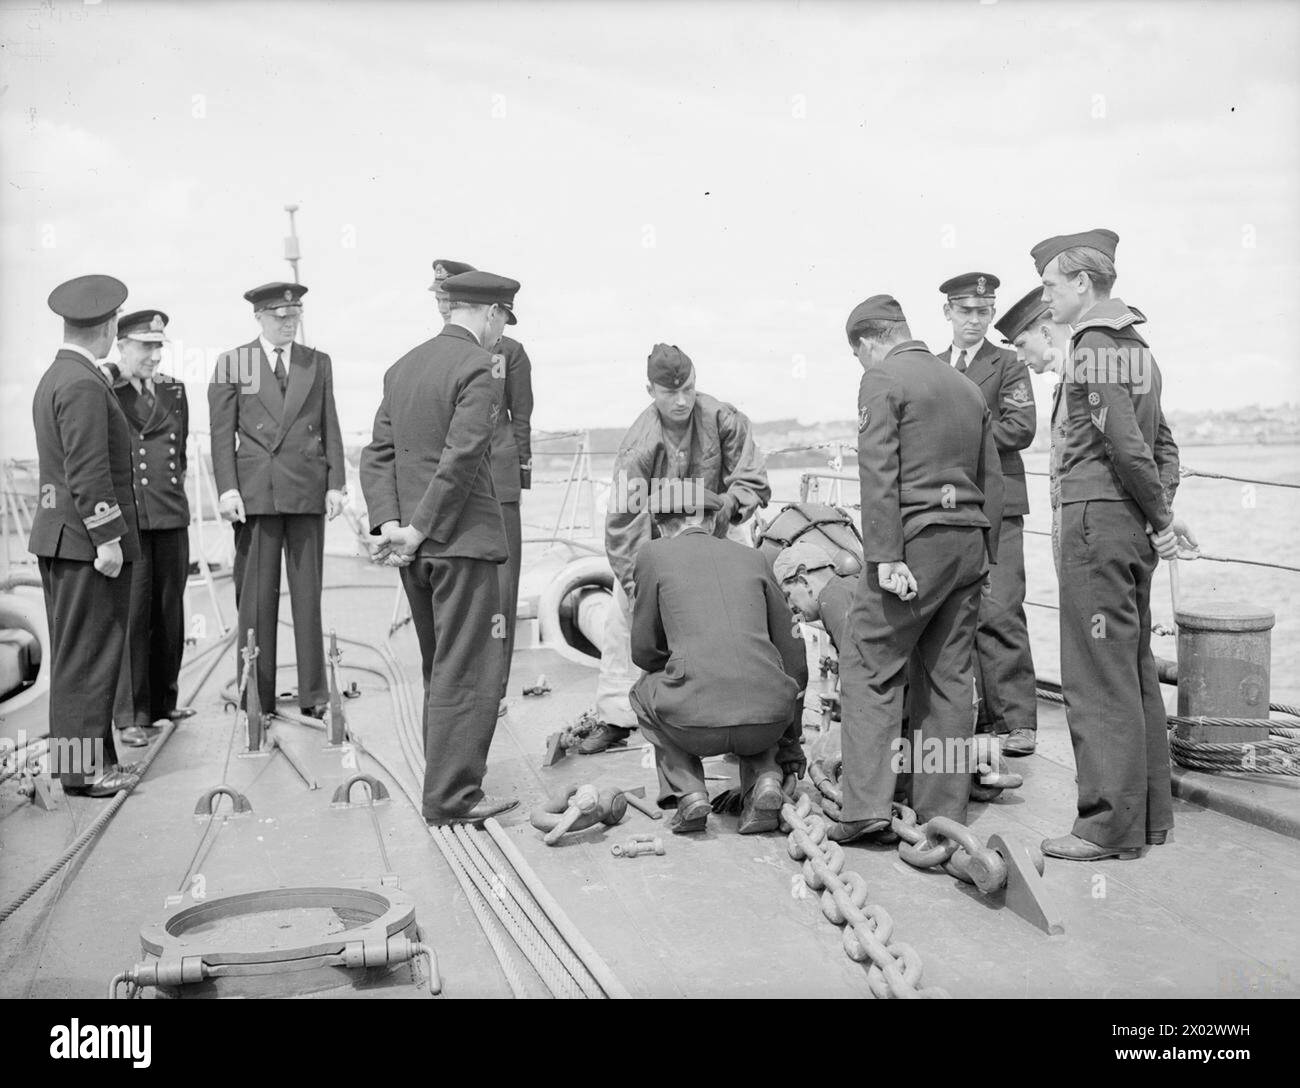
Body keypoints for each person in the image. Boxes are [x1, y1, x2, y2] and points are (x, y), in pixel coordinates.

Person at [1032, 228, 1195, 861]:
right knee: (1130, 669)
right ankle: (1148, 817)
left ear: (1081, 283)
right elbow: (1164, 446)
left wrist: (1157, 515)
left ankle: (1105, 827)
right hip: (1125, 527)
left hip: (1096, 527)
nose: (1047, 301)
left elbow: (1125, 444)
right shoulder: (1138, 348)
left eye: (1050, 286)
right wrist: (1159, 512)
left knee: (1097, 675)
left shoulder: (1095, 344)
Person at [829, 295, 1003, 844]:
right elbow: (990, 479)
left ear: (868, 341)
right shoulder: (966, 386)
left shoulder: (882, 379)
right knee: (950, 678)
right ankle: (941, 809)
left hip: (915, 545)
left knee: (869, 661)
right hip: (968, 545)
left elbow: (877, 471)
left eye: (859, 354)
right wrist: (985, 556)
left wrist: (883, 557)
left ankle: (865, 808)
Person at [360, 269, 520, 825]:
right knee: (468, 670)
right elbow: (463, 457)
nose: (501, 333)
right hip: (461, 546)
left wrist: (390, 526)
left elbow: (377, 454)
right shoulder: (478, 366)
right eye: (502, 320)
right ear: (492, 313)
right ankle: (453, 798)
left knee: (440, 667)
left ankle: (444, 786)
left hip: (416, 553)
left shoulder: (401, 368)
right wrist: (421, 529)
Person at [582, 343, 770, 754]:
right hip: (658, 537)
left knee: (745, 603)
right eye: (670, 393)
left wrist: (728, 507)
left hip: (719, 526)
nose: (682, 400)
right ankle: (616, 715)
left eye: (688, 388)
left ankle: (740, 700)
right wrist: (640, 590)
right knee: (621, 619)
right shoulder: (639, 445)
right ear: (650, 390)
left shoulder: (723, 418)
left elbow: (751, 477)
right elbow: (624, 525)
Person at [629, 485, 807, 835]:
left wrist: (683, 663)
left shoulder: (653, 555)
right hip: (768, 719)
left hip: (693, 723)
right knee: (761, 683)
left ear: (662, 525)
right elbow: (793, 656)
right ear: (711, 521)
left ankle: (690, 792)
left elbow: (643, 650)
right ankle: (766, 780)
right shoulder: (753, 557)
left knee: (641, 692)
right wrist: (791, 740)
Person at [208, 283, 346, 720]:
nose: (289, 324)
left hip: (305, 492)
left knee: (309, 599)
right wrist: (227, 489)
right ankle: (257, 697)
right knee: (256, 603)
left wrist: (336, 484)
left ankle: (315, 696)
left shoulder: (315, 362)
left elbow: (330, 424)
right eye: (280, 317)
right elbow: (220, 433)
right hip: (257, 497)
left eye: (294, 316)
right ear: (259, 317)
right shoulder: (236, 363)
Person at [28, 275, 141, 796]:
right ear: (111, 325)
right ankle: (82, 771)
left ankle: (95, 762)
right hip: (84, 543)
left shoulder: (61, 375)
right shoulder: (81, 384)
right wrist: (108, 539)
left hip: (62, 538)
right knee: (87, 658)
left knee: (82, 654)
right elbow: (89, 470)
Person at [936, 273, 1038, 756]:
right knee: (956, 610)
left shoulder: (1010, 364)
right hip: (947, 506)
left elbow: (1020, 428)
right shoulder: (932, 367)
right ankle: (975, 717)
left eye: (984, 312)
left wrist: (956, 439)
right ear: (949, 314)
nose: (975, 320)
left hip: (1000, 505)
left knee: (1000, 609)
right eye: (966, 312)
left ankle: (1017, 721)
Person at [429, 258, 534, 716]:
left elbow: (521, 416)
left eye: (445, 296)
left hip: (500, 479)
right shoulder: (436, 354)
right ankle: (455, 686)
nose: (440, 304)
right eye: (437, 297)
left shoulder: (510, 352)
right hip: (458, 482)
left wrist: (520, 476)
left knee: (502, 587)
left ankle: (497, 688)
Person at [109, 310, 194, 748]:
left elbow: (177, 457)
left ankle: (163, 701)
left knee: (169, 612)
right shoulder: (110, 390)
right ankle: (131, 714)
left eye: (158, 346)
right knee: (134, 616)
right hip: (133, 520)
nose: (154, 355)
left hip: (170, 514)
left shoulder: (174, 390)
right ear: (122, 346)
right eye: (145, 347)